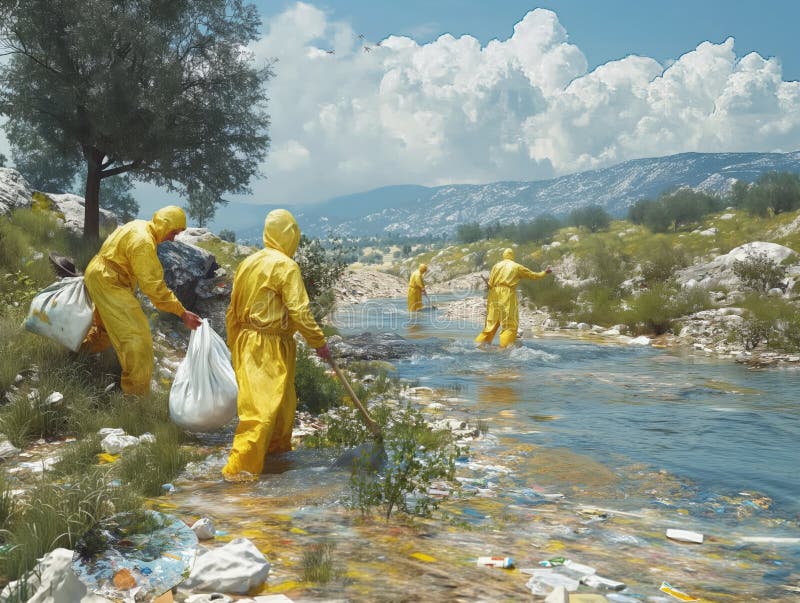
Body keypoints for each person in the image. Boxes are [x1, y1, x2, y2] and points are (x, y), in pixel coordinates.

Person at [222, 209, 330, 480]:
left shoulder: (248, 262)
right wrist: (318, 342)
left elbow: (232, 311)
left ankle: (274, 467)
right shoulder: (286, 265)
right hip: (266, 344)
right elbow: (300, 311)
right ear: (291, 235)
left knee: (282, 408)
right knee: (259, 413)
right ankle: (237, 477)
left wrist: (235, 344)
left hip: (253, 341)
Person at [80, 206, 202, 395]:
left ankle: (76, 355)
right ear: (164, 225)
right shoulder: (144, 242)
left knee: (104, 332)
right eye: (173, 232)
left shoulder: (139, 225)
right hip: (110, 282)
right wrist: (182, 312)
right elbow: (153, 286)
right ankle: (135, 397)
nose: (172, 238)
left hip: (101, 276)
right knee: (139, 340)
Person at [474, 248, 552, 348]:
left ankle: (478, 346)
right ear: (512, 256)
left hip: (493, 294)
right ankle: (504, 349)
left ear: (503, 255)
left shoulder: (496, 266)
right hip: (507, 294)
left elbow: (490, 284)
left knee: (491, 324)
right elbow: (533, 275)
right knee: (509, 324)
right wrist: (545, 272)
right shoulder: (516, 266)